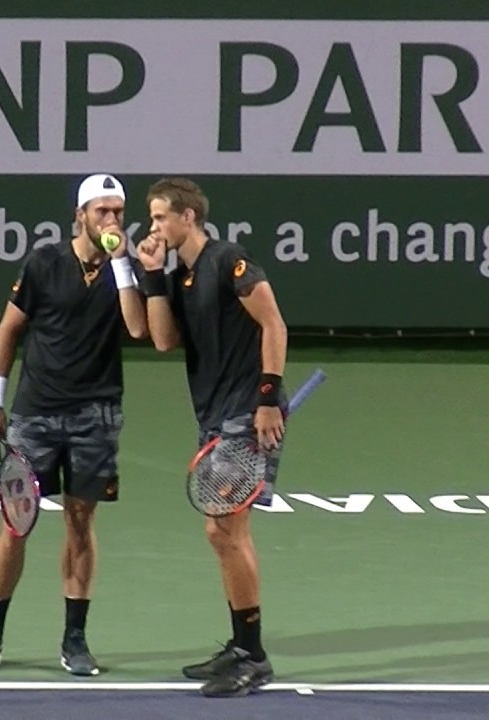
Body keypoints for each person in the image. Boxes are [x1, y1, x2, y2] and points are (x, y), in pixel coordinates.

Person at [0, 173, 148, 677]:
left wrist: (122, 263)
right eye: (102, 211)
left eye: (118, 212)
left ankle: (75, 639)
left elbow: (137, 327)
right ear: (80, 216)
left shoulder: (126, 271)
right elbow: (8, 331)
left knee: (80, 522)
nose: (112, 220)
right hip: (35, 414)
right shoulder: (43, 263)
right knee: (16, 524)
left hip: (96, 418)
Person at [135, 177, 289, 698]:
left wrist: (267, 398)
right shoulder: (180, 277)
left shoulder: (228, 260)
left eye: (160, 217)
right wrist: (152, 276)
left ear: (188, 217)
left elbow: (273, 324)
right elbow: (162, 341)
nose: (153, 226)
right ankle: (242, 646)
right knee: (221, 533)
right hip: (213, 414)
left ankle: (254, 657)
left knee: (227, 529)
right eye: (152, 218)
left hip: (248, 410)